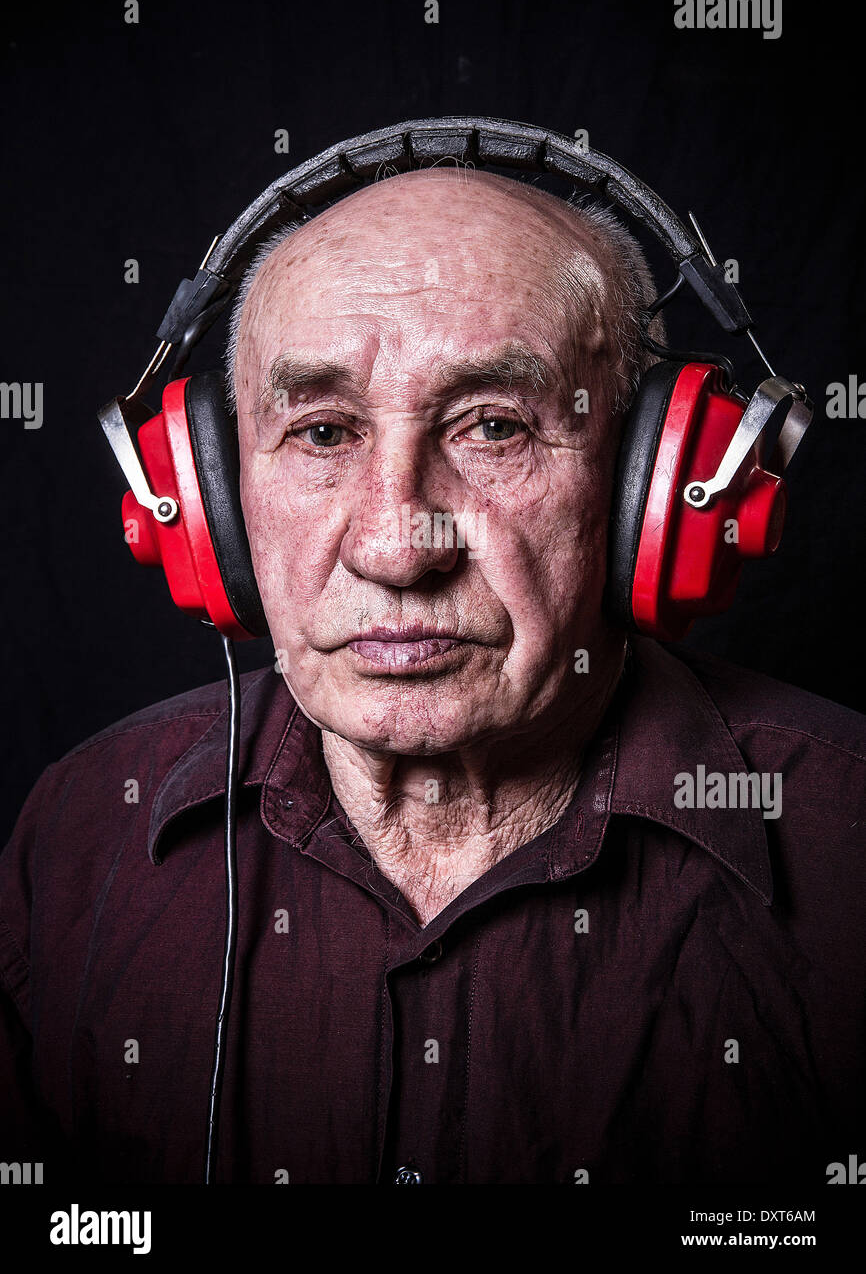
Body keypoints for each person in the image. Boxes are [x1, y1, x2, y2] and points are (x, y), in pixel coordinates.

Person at [1, 166, 864, 1184]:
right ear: (202, 505)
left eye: (493, 426)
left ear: (658, 486)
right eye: (321, 432)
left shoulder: (843, 843)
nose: (396, 547)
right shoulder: (80, 834)